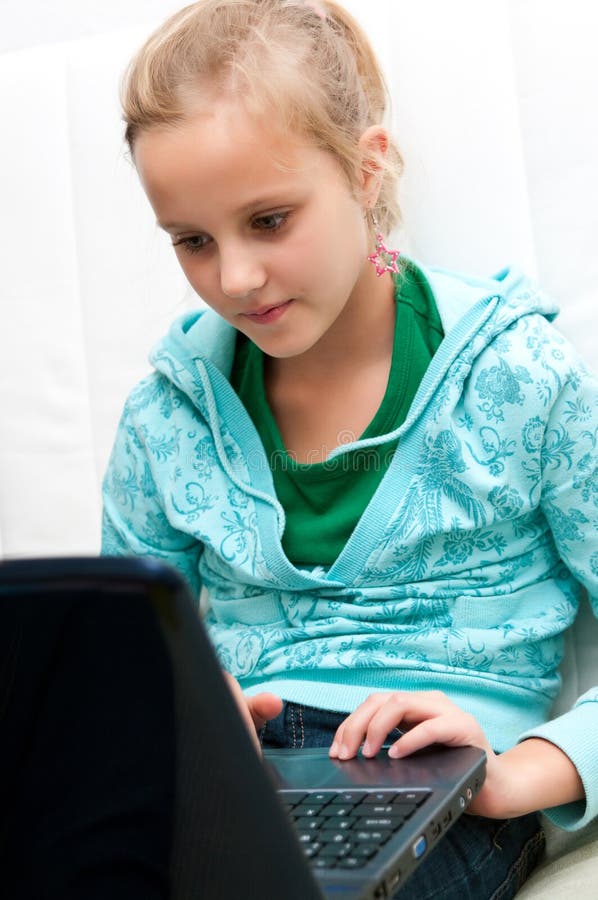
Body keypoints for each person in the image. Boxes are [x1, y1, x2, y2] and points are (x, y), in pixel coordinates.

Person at [101, 0, 598, 896]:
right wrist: (188, 708)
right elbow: (122, 655)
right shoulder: (165, 417)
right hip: (235, 783)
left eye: (269, 221)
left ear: (366, 171)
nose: (235, 278)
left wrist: (522, 769)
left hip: (440, 779)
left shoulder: (519, 377)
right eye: (192, 241)